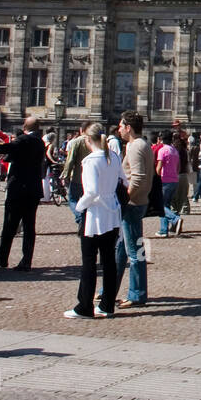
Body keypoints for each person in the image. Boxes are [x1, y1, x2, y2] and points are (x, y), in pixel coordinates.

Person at [65, 123, 125, 319]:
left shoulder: (91, 160)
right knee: (108, 260)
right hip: (112, 213)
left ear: (87, 140)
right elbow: (123, 180)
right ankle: (107, 304)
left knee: (89, 262)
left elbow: (91, 191)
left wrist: (80, 206)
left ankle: (84, 306)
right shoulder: (114, 157)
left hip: (95, 214)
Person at [0, 116, 48, 271]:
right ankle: (26, 260)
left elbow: (6, 149)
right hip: (33, 189)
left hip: (19, 188)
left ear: (24, 126)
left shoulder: (24, 140)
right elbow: (12, 154)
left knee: (10, 224)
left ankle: (2, 257)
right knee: (29, 226)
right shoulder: (39, 142)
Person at [115, 111, 153, 307]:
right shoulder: (139, 144)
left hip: (132, 204)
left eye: (121, 125)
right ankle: (109, 289)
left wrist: (125, 198)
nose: (119, 129)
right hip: (137, 202)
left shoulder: (136, 146)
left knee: (135, 251)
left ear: (128, 127)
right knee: (121, 249)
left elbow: (137, 177)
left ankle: (137, 294)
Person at [152, 130, 183, 238]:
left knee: (160, 205)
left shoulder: (162, 150)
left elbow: (159, 167)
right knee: (166, 205)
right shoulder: (175, 150)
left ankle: (175, 219)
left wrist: (157, 176)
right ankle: (163, 230)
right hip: (174, 180)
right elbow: (178, 168)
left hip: (165, 180)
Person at [59, 122, 90, 226]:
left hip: (77, 177)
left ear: (81, 130)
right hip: (90, 179)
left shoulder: (77, 142)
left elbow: (70, 160)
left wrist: (65, 175)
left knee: (72, 200)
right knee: (86, 202)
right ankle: (84, 221)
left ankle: (80, 218)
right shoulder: (95, 141)